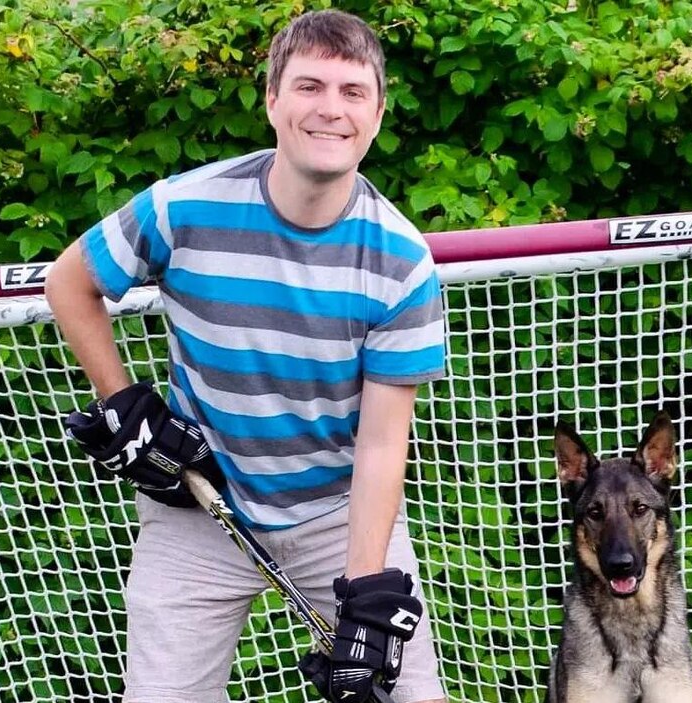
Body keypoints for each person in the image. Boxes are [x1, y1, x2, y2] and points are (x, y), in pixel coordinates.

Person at [44, 9, 448, 703]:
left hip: (334, 513)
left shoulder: (403, 263)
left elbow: (382, 448)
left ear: (378, 113)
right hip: (197, 509)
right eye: (309, 86)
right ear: (271, 100)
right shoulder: (184, 208)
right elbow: (68, 281)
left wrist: (364, 601)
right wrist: (123, 403)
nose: (331, 109)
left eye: (353, 92)